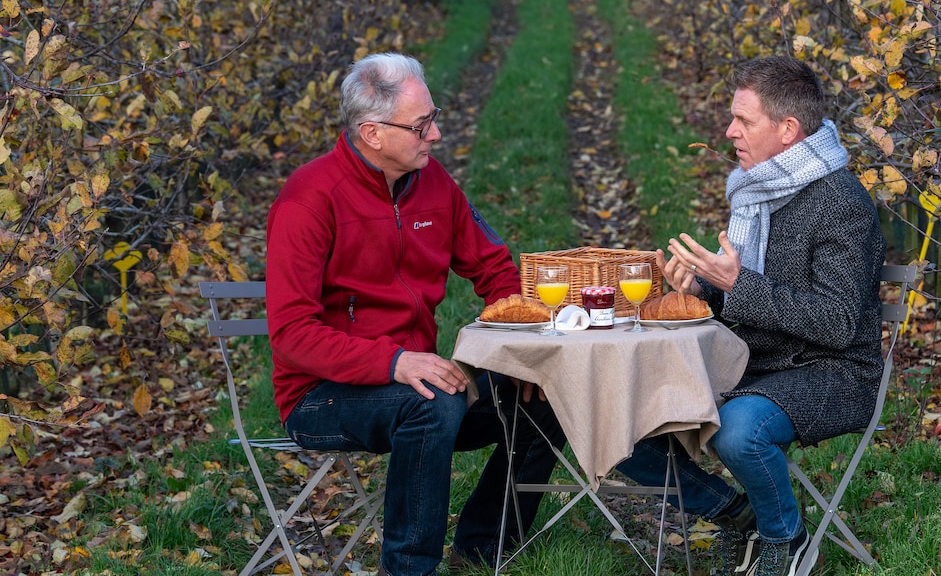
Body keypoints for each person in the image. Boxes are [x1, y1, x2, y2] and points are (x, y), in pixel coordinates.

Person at [265, 52, 565, 576]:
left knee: (550, 391)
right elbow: (291, 336)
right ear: (372, 133)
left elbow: (495, 270)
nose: (437, 134)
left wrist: (527, 352)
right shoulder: (310, 200)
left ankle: (481, 550)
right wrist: (396, 362)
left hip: (415, 380)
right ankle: (408, 569)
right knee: (431, 403)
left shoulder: (434, 183)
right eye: (422, 124)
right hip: (320, 396)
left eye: (433, 117)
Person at [616, 55, 886, 576]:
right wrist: (703, 288)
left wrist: (737, 285)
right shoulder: (756, 190)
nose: (729, 131)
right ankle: (733, 513)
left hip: (831, 372)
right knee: (616, 408)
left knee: (738, 431)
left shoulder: (841, 202)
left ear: (787, 130)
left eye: (744, 120)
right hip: (753, 359)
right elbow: (744, 295)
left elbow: (837, 323)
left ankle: (787, 538)